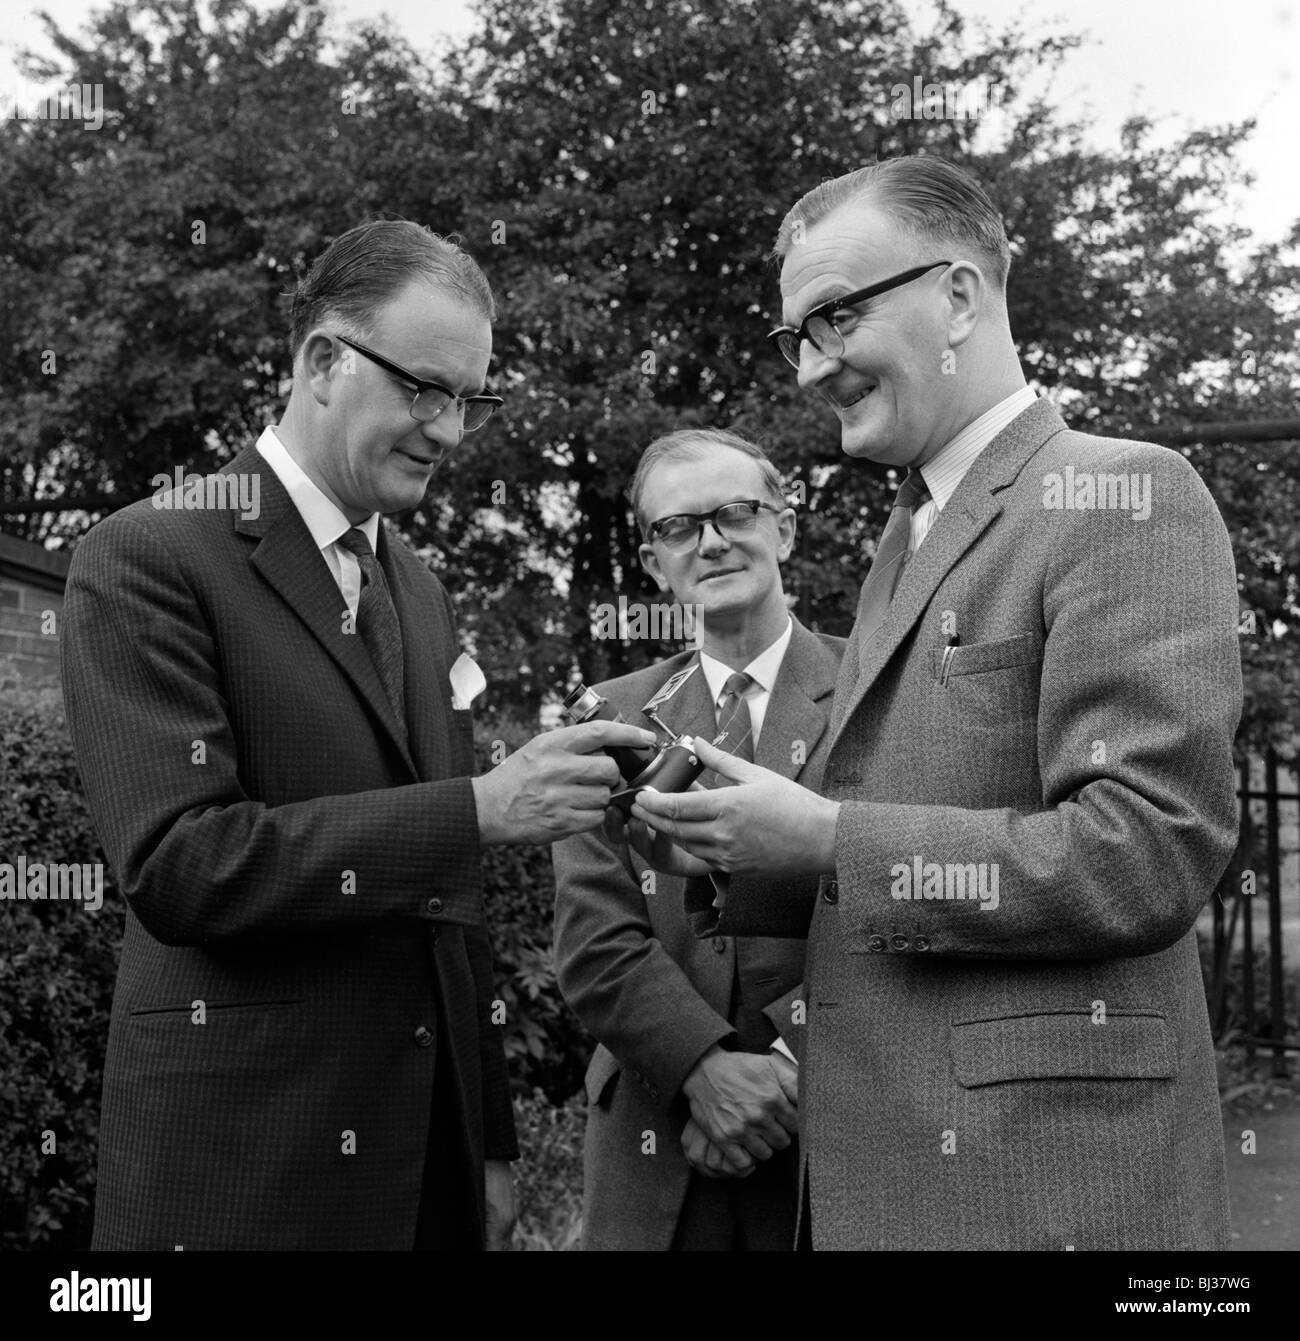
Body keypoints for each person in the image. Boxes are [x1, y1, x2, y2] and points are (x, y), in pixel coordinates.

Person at [628, 157, 1242, 1250]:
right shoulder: (905, 537)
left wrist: (825, 837)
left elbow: (1146, 851)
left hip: (1040, 1186)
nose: (812, 368)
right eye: (796, 336)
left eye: (835, 317)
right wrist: (738, 846)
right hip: (889, 1178)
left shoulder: (1122, 494)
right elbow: (906, 812)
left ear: (958, 295)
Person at [59, 219, 656, 1251]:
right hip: (242, 1172)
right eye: (424, 390)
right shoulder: (147, 555)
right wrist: (482, 807)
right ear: (321, 362)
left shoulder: (416, 585)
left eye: (469, 400)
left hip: (423, 1166)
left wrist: (488, 1139)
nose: (450, 430)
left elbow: (443, 894)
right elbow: (181, 866)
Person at [552, 429, 845, 1250]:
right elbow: (593, 938)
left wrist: (787, 1067)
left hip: (835, 1138)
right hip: (656, 1130)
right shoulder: (606, 716)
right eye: (680, 527)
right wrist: (701, 1067)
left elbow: (893, 901)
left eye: (735, 512)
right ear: (654, 564)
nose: (712, 540)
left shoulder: (876, 695)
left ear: (783, 526)